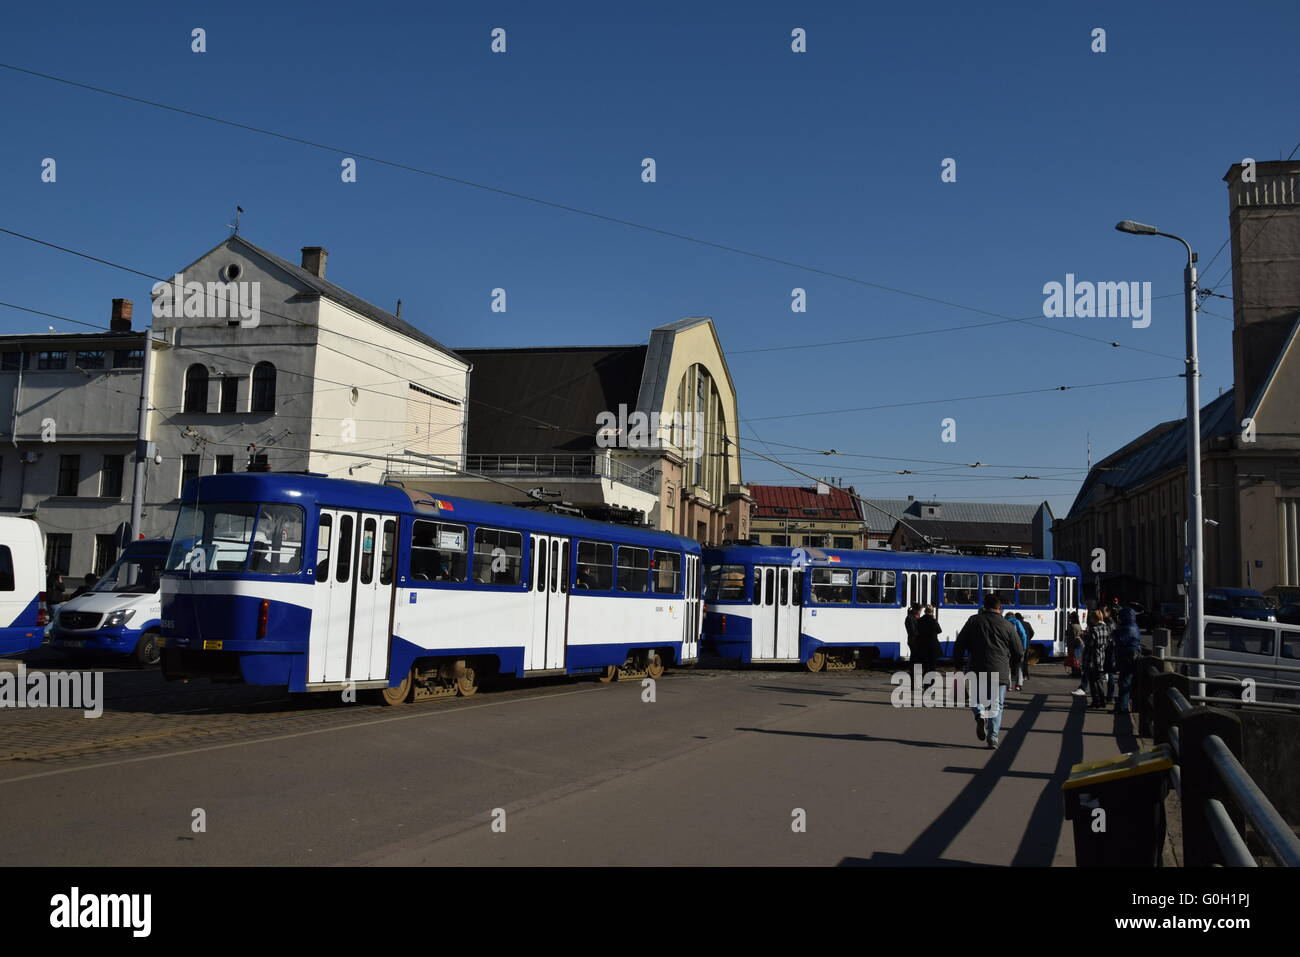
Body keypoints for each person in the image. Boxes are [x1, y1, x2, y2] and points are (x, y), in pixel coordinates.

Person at [953, 593, 1022, 749]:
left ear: (984, 606)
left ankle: (979, 714)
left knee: (976, 698)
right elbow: (1018, 651)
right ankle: (993, 737)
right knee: (996, 704)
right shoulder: (1008, 625)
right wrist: (1013, 666)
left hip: (977, 666)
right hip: (1000, 669)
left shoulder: (974, 621)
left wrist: (958, 665)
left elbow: (960, 644)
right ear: (1000, 608)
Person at [1111, 606, 1142, 714]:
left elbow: (1121, 640)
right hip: (1130, 656)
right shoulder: (1132, 626)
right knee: (1124, 682)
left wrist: (1115, 633)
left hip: (1128, 657)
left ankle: (1123, 708)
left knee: (1125, 682)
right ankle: (1121, 706)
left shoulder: (1128, 628)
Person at [1082, 607, 1114, 709]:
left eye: (1091, 618)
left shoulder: (1094, 630)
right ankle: (1102, 701)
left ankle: (1095, 701)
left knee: (1092, 681)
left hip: (1092, 659)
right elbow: (1108, 643)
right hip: (1102, 657)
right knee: (1099, 681)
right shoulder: (1107, 629)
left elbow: (1089, 646)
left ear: (1094, 618)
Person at [914, 605, 942, 675]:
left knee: (925, 665)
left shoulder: (920, 620)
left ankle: (925, 680)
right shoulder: (933, 620)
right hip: (932, 645)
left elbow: (917, 631)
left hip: (922, 645)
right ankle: (931, 681)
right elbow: (939, 630)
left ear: (925, 611)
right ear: (932, 612)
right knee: (932, 666)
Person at [1005, 611, 1028, 691]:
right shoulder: (1016, 622)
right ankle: (1018, 685)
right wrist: (1023, 647)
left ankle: (1009, 686)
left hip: (1006, 648)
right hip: (1017, 647)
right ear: (1013, 616)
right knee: (1019, 665)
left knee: (1007, 666)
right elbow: (1023, 635)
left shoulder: (1003, 621)